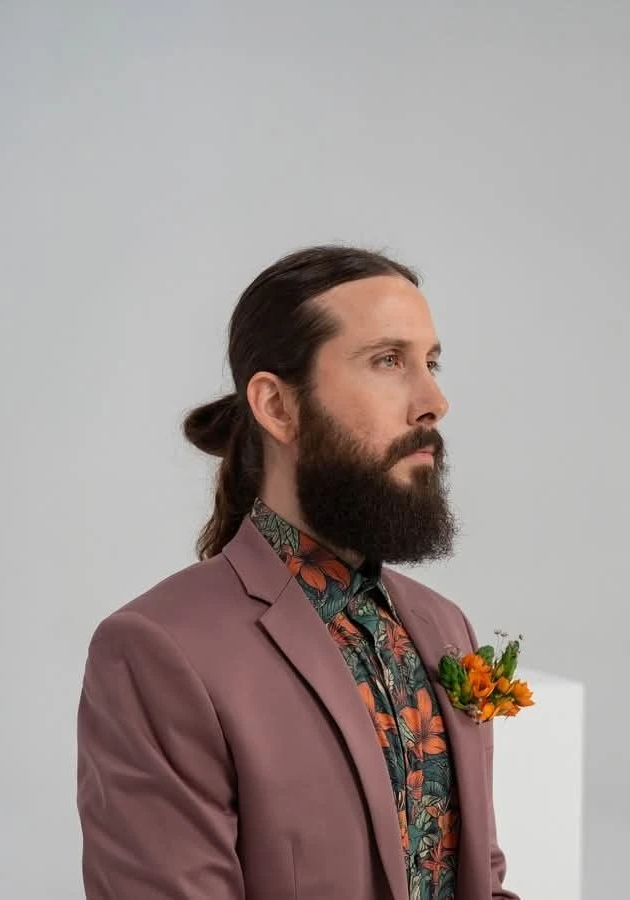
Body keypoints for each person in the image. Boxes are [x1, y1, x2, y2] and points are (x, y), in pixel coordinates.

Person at [76, 244, 520, 900]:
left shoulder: (443, 626)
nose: (434, 401)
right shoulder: (158, 651)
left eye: (431, 362)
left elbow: (473, 878)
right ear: (279, 407)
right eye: (388, 360)